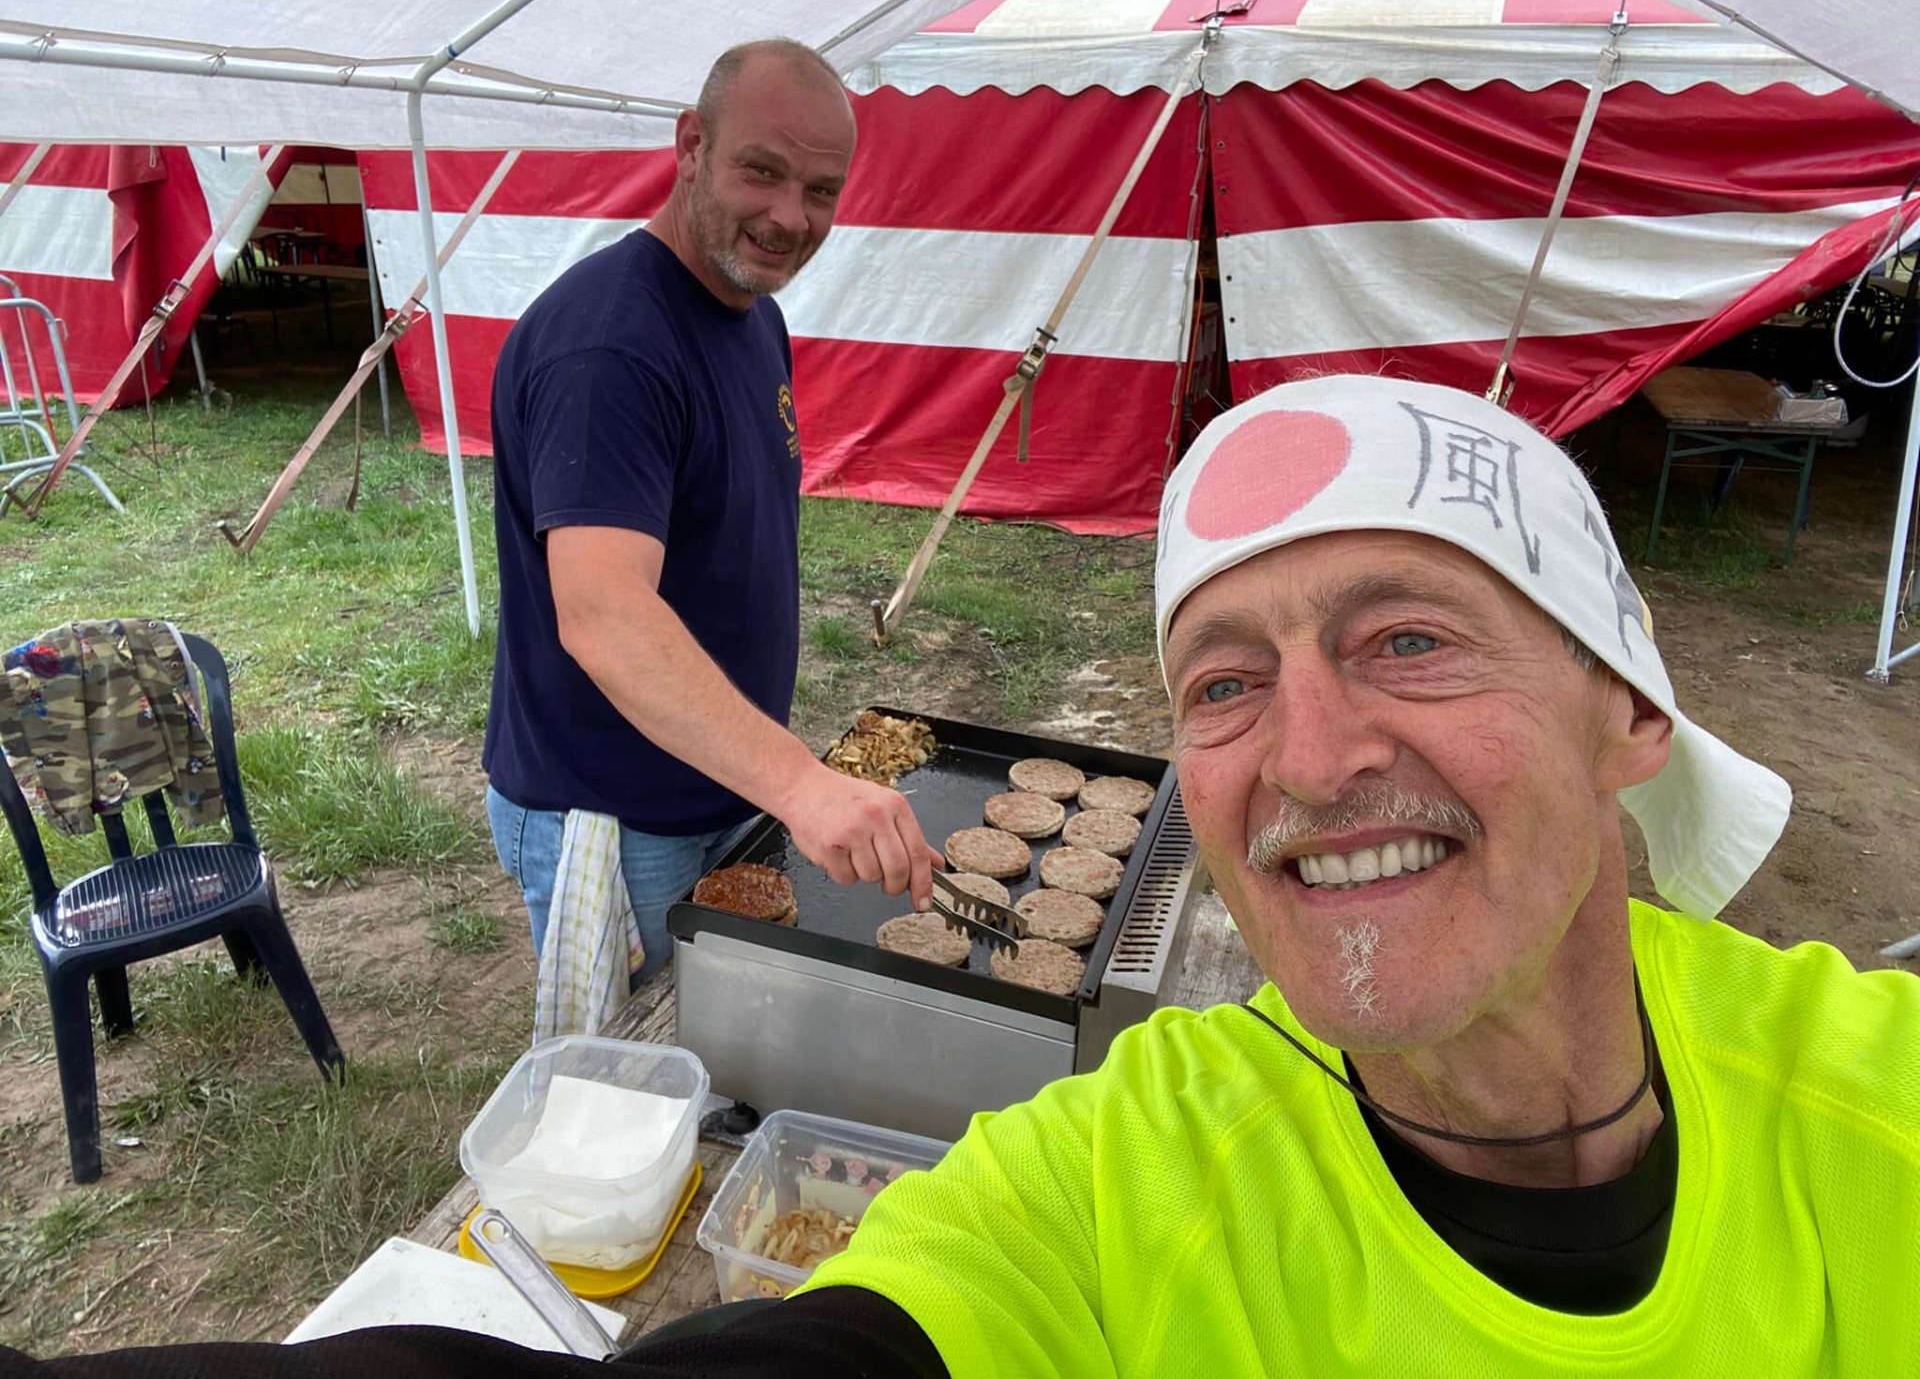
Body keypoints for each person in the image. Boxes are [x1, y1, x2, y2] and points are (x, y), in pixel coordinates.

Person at [9, 377, 1915, 1377]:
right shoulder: (1122, 1162)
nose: (1315, 755)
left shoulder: (1877, 1110)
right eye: (1226, 684)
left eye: (1411, 638)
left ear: (1629, 714)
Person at [481, 38, 938, 981]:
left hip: (718, 782)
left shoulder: (748, 309)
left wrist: (768, 778)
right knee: (638, 1087)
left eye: (820, 190)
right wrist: (802, 785)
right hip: (614, 814)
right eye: (761, 172)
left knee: (719, 1064)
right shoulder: (609, 348)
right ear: (691, 144)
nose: (789, 217)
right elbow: (603, 613)